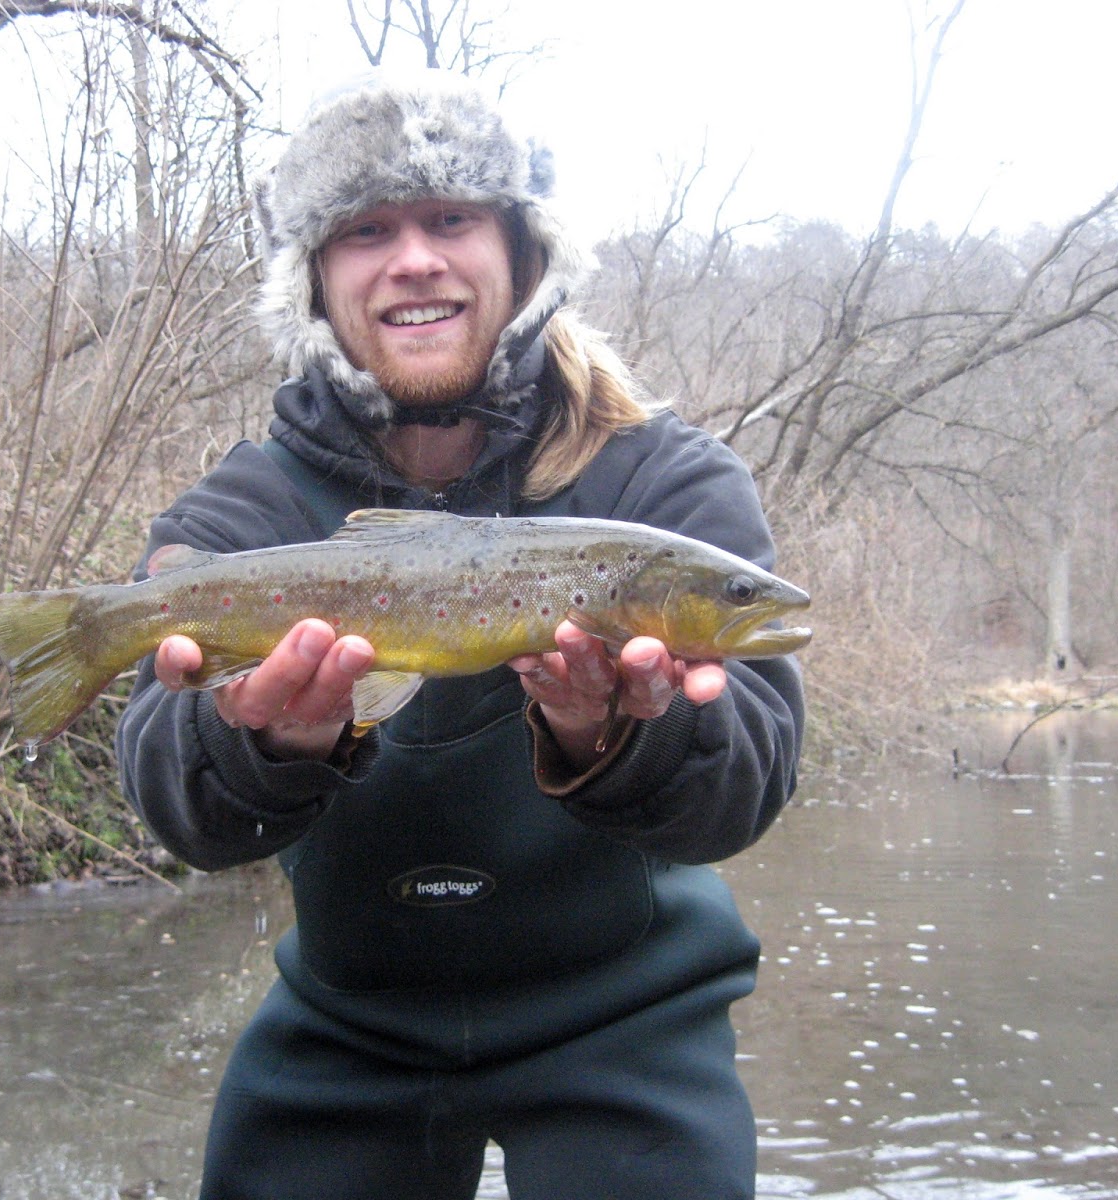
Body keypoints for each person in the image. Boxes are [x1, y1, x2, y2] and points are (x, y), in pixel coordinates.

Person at [115, 71, 804, 1200]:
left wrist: (612, 736)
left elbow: (744, 794)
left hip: (630, 1013)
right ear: (316, 281)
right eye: (366, 231)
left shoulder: (662, 485)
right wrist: (264, 744)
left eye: (451, 219)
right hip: (348, 1021)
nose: (414, 258)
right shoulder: (239, 519)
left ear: (521, 254)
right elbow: (179, 810)